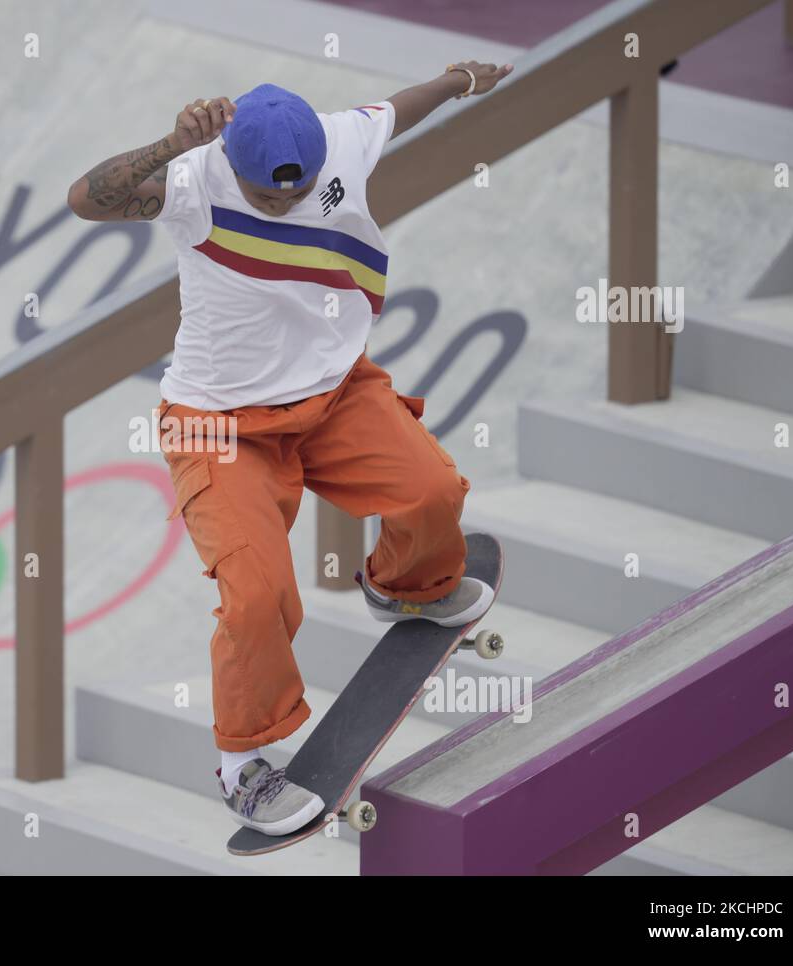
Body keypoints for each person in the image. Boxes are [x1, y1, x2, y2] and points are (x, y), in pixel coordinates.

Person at [67, 62, 513, 837]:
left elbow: (400, 109)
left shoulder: (339, 143)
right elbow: (86, 200)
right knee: (257, 594)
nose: (283, 203)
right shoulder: (193, 181)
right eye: (267, 195)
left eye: (296, 191)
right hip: (220, 425)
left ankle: (405, 585)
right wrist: (169, 144)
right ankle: (245, 765)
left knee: (434, 495)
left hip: (335, 392)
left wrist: (461, 79)